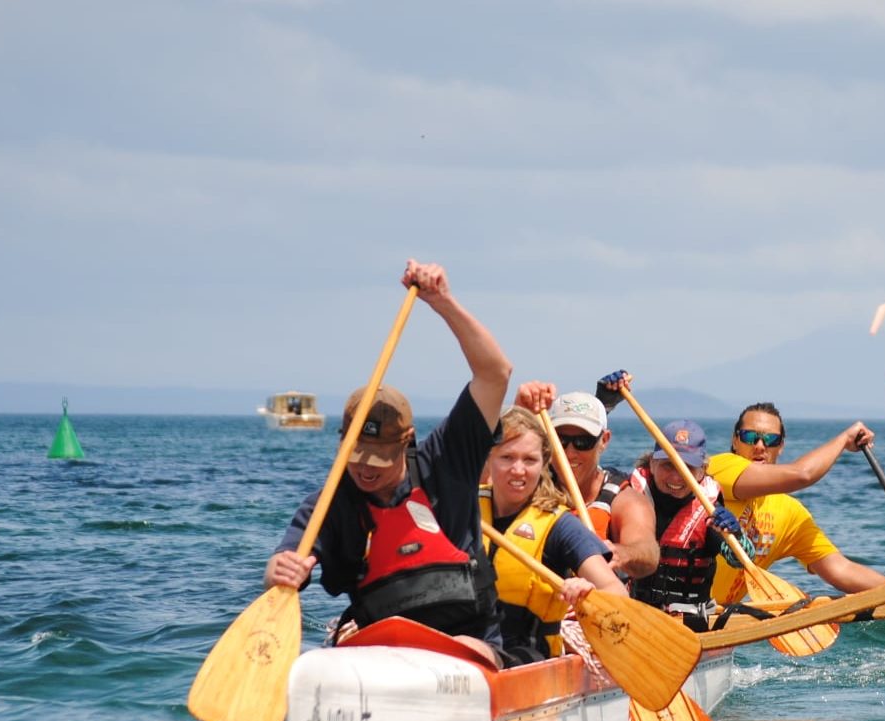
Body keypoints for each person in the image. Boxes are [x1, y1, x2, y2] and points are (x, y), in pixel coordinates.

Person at [263, 260, 511, 665]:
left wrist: (443, 303)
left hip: (468, 642)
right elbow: (283, 559)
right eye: (356, 455)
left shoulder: (447, 457)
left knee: (463, 653)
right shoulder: (327, 504)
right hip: (383, 649)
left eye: (380, 458)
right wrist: (279, 571)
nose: (365, 469)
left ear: (406, 442)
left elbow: (495, 374)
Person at [707, 401, 885, 604]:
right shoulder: (717, 471)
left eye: (770, 439)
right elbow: (802, 474)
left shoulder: (789, 513)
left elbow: (840, 569)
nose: (760, 446)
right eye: (749, 437)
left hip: (712, 621)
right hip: (675, 610)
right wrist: (844, 439)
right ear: (735, 441)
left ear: (780, 447)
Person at [478, 408, 629, 663]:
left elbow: (617, 594)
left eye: (529, 460)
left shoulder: (560, 526)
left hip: (525, 658)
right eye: (507, 457)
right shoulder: (464, 511)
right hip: (459, 646)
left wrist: (588, 592)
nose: (518, 470)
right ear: (489, 458)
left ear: (543, 463)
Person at [509, 380, 658, 579]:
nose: (570, 453)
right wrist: (519, 411)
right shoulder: (525, 483)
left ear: (603, 441)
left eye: (583, 442)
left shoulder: (622, 498)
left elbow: (647, 551)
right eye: (561, 441)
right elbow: (481, 473)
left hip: (595, 604)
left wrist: (622, 553)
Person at [622, 417, 753, 632]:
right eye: (668, 465)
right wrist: (605, 404)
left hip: (689, 625)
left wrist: (736, 533)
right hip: (634, 618)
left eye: (687, 467)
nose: (676, 476)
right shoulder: (628, 495)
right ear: (652, 464)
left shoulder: (710, 510)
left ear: (702, 470)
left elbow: (742, 561)